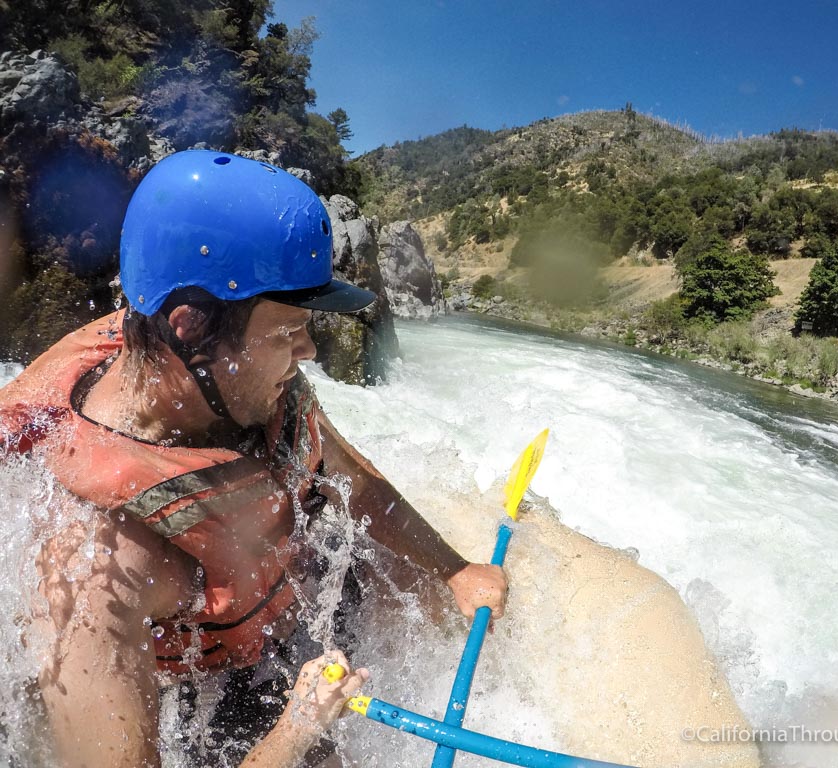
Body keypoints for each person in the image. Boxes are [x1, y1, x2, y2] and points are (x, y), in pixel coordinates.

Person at [0, 151, 507, 767]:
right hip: (203, 697)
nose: (310, 350)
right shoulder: (92, 569)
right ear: (190, 326)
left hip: (279, 603)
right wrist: (299, 728)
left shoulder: (237, 380)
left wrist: (455, 570)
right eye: (289, 330)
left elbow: (353, 479)